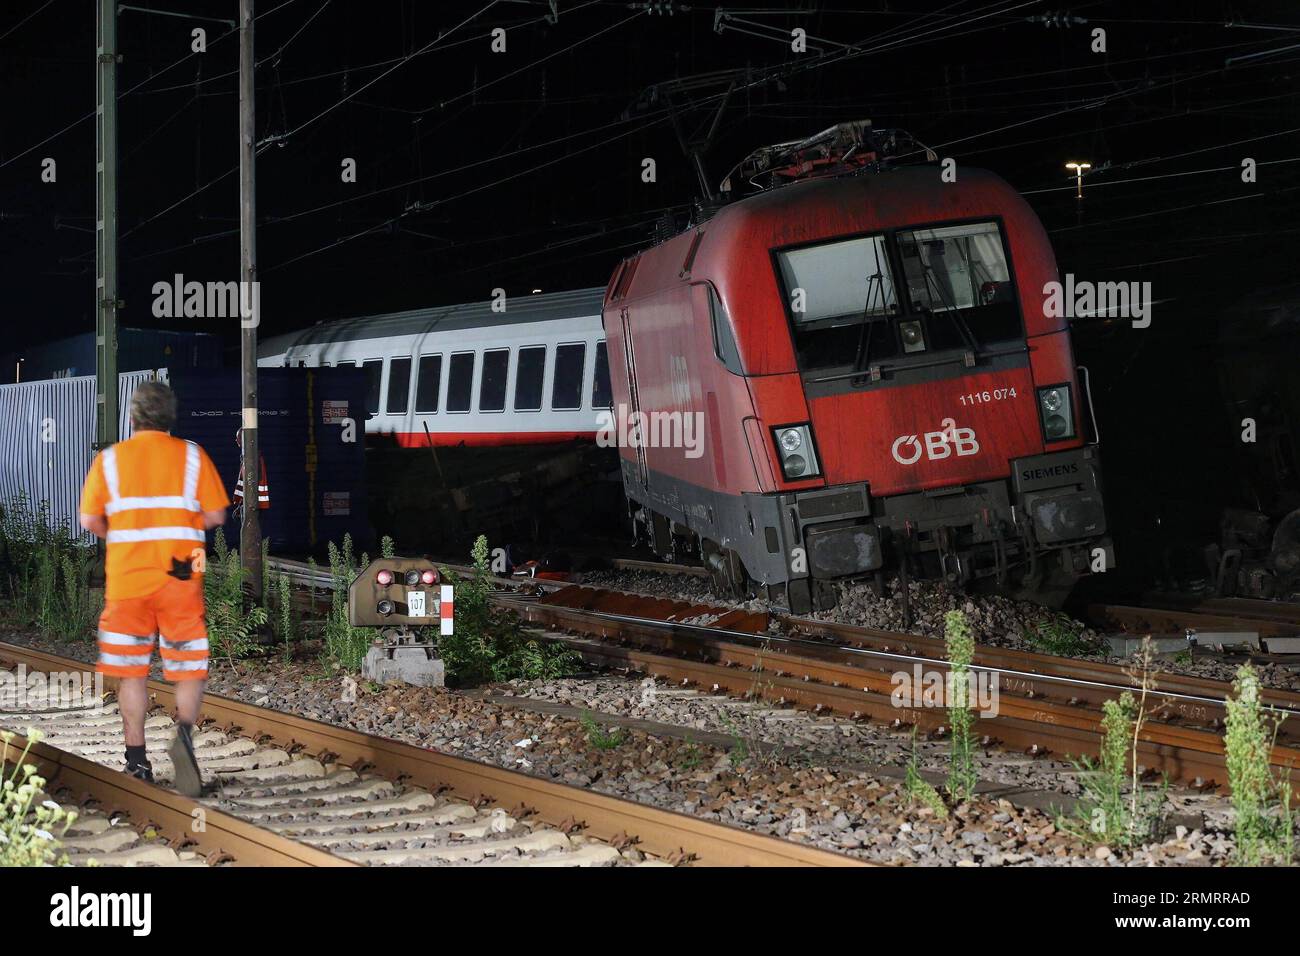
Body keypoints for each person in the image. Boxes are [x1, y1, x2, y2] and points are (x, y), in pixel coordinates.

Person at [79, 381, 229, 796]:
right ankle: (182, 739)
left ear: (133, 417)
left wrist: (127, 536)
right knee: (188, 663)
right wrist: (182, 525)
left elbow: (90, 521)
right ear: (170, 417)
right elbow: (216, 513)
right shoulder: (193, 457)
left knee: (132, 672)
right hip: (182, 576)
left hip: (128, 580)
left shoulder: (110, 461)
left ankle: (137, 762)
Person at [232, 426, 270, 513]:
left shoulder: (251, 458)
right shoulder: (248, 457)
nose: (236, 440)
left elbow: (251, 483)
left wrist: (244, 506)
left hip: (255, 507)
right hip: (254, 506)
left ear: (243, 439)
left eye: (238, 438)